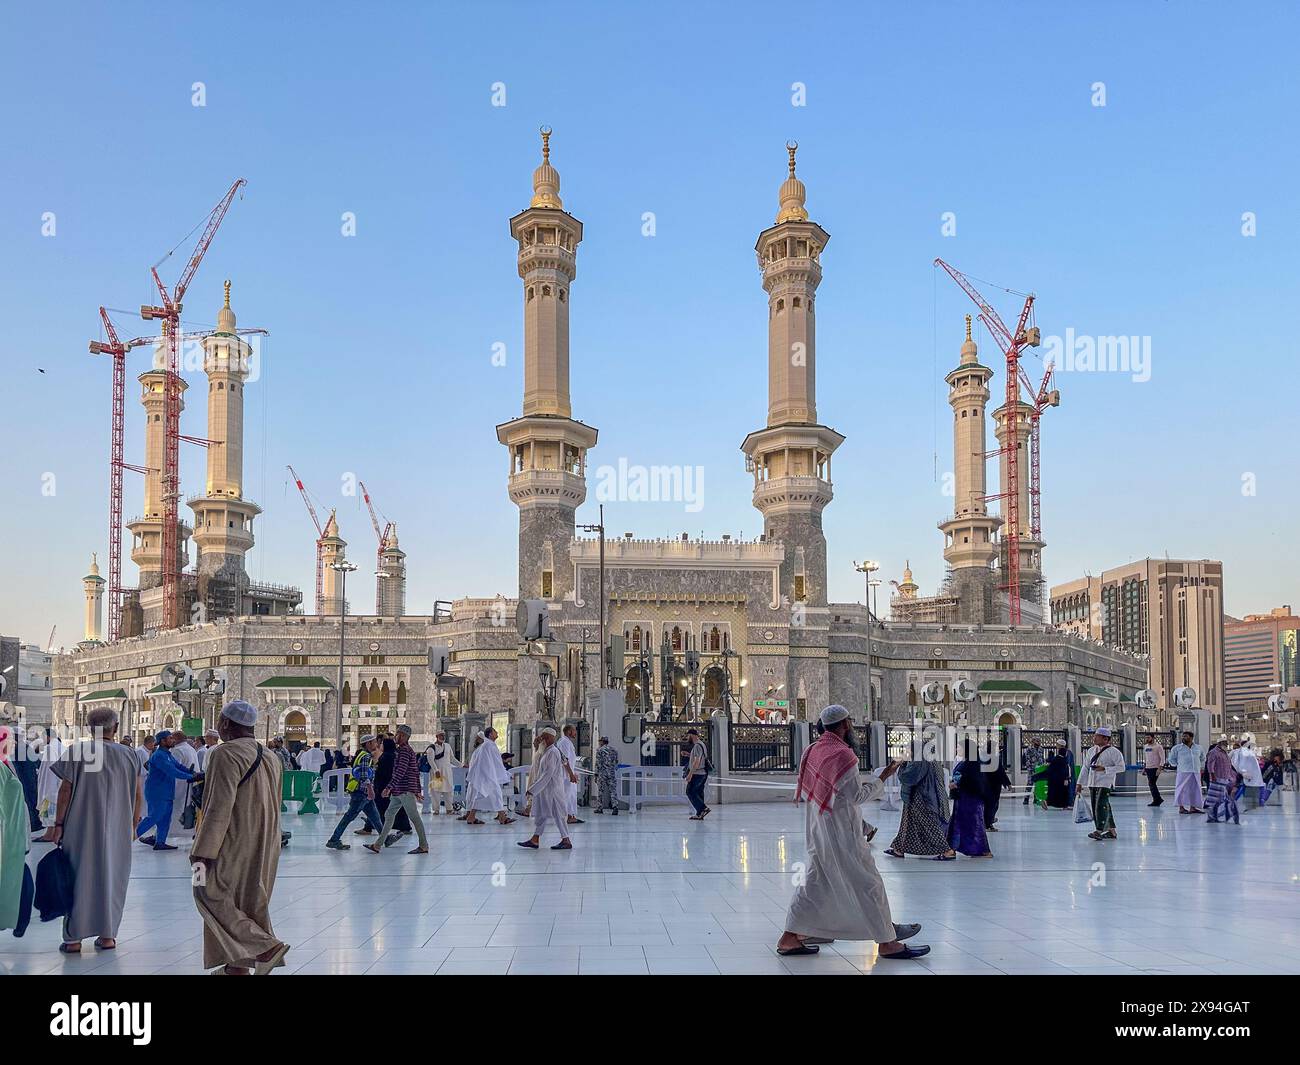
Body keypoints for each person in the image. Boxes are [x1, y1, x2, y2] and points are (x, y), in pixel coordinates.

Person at [776, 704, 928, 960]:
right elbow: (854, 796)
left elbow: (817, 794)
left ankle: (790, 937)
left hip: (818, 830)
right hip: (842, 835)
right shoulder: (843, 755)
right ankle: (888, 941)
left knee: (813, 883)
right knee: (870, 884)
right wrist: (884, 778)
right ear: (845, 725)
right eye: (850, 722)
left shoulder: (812, 750)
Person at [191, 700, 289, 975]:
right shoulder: (271, 755)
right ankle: (237, 969)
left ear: (224, 724)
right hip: (266, 841)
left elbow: (217, 807)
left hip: (231, 841)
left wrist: (202, 852)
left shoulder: (226, 754)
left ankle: (265, 946)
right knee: (248, 902)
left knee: (205, 890)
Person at [46, 708, 141, 954]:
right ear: (116, 728)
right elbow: (139, 794)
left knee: (77, 878)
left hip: (79, 826)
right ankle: (108, 935)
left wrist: (58, 825)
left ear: (89, 728)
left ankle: (74, 939)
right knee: (112, 877)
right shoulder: (130, 754)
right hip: (118, 828)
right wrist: (133, 825)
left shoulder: (77, 752)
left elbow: (65, 791)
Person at [365, 725, 429, 855]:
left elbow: (401, 771)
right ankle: (378, 845)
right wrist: (416, 789)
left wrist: (389, 787)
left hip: (404, 790)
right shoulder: (402, 750)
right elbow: (413, 771)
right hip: (399, 790)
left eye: (399, 734)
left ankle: (423, 845)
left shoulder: (405, 751)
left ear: (404, 736)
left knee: (414, 817)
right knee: (389, 815)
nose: (396, 736)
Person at [135, 731, 201, 850]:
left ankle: (160, 842)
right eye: (170, 738)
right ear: (162, 741)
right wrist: (192, 777)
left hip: (166, 792)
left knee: (165, 819)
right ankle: (131, 836)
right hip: (157, 792)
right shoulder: (159, 755)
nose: (172, 740)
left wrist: (193, 773)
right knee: (154, 817)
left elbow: (178, 767)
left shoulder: (168, 754)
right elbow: (172, 771)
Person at [325, 735, 389, 849]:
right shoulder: (366, 756)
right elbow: (364, 775)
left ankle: (385, 838)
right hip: (361, 792)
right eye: (374, 742)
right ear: (368, 744)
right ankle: (334, 839)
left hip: (361, 792)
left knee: (375, 817)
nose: (376, 744)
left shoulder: (361, 754)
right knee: (349, 816)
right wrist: (370, 789)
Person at [885, 759, 954, 860]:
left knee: (928, 824)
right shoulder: (930, 757)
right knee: (908, 822)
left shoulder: (919, 760)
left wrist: (902, 765)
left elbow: (908, 777)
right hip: (923, 795)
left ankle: (947, 851)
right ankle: (899, 848)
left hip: (921, 797)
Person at [518, 727, 571, 850]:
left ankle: (566, 840)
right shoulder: (546, 751)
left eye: (546, 737)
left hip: (552, 790)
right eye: (543, 736)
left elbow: (548, 774)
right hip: (546, 790)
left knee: (558, 815)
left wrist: (533, 789)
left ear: (552, 738)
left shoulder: (553, 752)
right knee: (542, 814)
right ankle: (535, 839)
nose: (543, 739)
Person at [463, 727, 515, 826]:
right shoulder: (489, 746)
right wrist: (506, 774)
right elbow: (497, 763)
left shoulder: (487, 745)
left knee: (483, 796)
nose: (497, 733)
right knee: (495, 795)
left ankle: (472, 817)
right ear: (490, 734)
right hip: (487, 776)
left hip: (485, 775)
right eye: (495, 731)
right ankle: (502, 818)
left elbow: (494, 762)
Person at [1080, 727, 1125, 840]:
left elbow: (1121, 767)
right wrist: (1079, 783)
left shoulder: (1114, 752)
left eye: (1097, 736)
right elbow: (1085, 768)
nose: (1094, 738)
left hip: (1105, 782)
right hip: (1093, 782)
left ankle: (1099, 830)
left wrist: (1105, 769)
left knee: (1100, 806)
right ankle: (1112, 831)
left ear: (1105, 739)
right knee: (1101, 806)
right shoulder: (1091, 751)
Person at [948, 747, 992, 858]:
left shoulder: (973, 763)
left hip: (970, 799)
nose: (957, 749)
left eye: (960, 747)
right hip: (963, 798)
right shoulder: (966, 762)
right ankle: (952, 848)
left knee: (973, 824)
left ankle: (982, 850)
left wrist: (957, 784)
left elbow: (973, 780)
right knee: (962, 823)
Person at [372, 736, 412, 835]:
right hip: (393, 786)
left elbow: (383, 773)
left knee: (381, 807)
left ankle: (379, 827)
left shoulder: (386, 757)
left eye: (381, 744)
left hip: (385, 786)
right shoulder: (394, 754)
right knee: (398, 808)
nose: (380, 745)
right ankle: (404, 826)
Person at [170, 731, 200, 839]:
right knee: (186, 807)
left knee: (176, 809)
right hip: (190, 785)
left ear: (176, 739)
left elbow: (172, 770)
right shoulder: (190, 749)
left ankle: (174, 832)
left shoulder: (177, 750)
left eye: (171, 738)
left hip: (179, 785)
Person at [35, 727, 66, 831]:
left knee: (48, 809)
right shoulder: (61, 747)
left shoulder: (50, 748)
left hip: (50, 784)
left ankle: (49, 833)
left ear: (47, 737)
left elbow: (47, 770)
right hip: (59, 783)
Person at [1168, 731, 1204, 814]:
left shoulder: (1198, 748)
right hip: (1183, 771)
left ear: (1191, 738)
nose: (1183, 738)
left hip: (1195, 772)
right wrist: (1178, 765)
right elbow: (1171, 759)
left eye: (1186, 736)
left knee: (1195, 789)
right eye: (1183, 736)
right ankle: (1181, 808)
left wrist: (1200, 766)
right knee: (1181, 789)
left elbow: (1202, 758)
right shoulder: (1177, 748)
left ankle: (1193, 807)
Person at [1204, 740, 1240, 825]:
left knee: (1220, 799)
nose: (1226, 746)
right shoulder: (1214, 752)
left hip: (1225, 779)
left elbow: (1228, 766)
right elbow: (1210, 765)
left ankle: (1218, 816)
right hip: (1217, 779)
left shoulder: (1224, 753)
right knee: (1213, 800)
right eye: (1225, 744)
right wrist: (1212, 776)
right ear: (1220, 744)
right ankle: (1212, 817)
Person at [557, 724, 584, 825]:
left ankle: (571, 816)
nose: (575, 733)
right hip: (565, 775)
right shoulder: (564, 742)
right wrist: (571, 774)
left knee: (571, 795)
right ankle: (567, 816)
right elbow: (565, 760)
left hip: (569, 774)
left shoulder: (567, 742)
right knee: (567, 795)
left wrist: (573, 773)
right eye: (574, 731)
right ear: (569, 732)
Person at [427, 731, 458, 815]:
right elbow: (430, 760)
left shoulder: (447, 746)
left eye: (443, 735)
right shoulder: (432, 747)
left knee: (449, 791)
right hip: (437, 773)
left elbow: (452, 759)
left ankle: (449, 809)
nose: (443, 737)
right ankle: (436, 810)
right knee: (435, 791)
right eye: (441, 735)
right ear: (436, 736)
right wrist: (436, 770)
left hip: (447, 772)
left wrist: (462, 765)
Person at [683, 727, 711, 820]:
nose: (688, 738)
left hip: (697, 774)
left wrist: (690, 774)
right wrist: (688, 754)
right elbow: (699, 757)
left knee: (690, 792)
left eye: (688, 736)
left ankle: (703, 808)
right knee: (698, 793)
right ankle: (700, 814)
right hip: (702, 773)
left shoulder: (697, 746)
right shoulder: (701, 745)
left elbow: (697, 762)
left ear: (692, 735)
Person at [1231, 736, 1266, 807]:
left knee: (1253, 786)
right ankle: (1234, 800)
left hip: (1250, 774)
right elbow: (1240, 763)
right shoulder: (1243, 752)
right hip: (1247, 774)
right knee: (1245, 786)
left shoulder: (1247, 752)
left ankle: (1258, 802)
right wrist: (1243, 772)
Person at [982, 757, 1012, 829]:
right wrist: (1007, 783)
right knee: (992, 805)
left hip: (986, 785)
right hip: (993, 785)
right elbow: (1000, 771)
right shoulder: (993, 758)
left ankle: (988, 821)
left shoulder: (983, 758)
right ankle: (988, 823)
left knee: (988, 805)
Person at [593, 736, 619, 815]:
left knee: (601, 791)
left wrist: (596, 774)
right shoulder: (614, 750)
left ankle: (600, 808)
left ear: (602, 742)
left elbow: (598, 763)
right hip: (611, 773)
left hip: (602, 773)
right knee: (613, 791)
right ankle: (615, 807)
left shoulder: (599, 750)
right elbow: (616, 762)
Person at [1044, 745, 1073, 810]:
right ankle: (1065, 805)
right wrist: (1066, 778)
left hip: (1053, 780)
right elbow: (1065, 770)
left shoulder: (1055, 759)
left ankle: (1047, 802)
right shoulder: (1063, 760)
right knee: (1064, 793)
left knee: (1053, 793)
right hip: (1061, 780)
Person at [1142, 733, 1166, 807]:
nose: (1147, 739)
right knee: (1151, 784)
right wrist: (1144, 768)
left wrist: (1160, 768)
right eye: (1146, 738)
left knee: (1152, 783)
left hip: (1155, 768)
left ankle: (1157, 800)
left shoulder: (1158, 747)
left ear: (1153, 738)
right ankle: (1157, 799)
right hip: (1148, 768)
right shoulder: (1145, 747)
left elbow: (1162, 758)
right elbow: (1145, 758)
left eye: (1148, 737)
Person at [1021, 738, 1045, 805]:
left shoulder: (1041, 749)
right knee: (1029, 784)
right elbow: (1027, 760)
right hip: (1032, 769)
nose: (1039, 742)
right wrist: (1029, 769)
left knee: (1038, 784)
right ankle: (1026, 799)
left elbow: (1042, 758)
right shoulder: (1029, 749)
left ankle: (1036, 798)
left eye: (1039, 741)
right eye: (1037, 741)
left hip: (1039, 769)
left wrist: (1042, 767)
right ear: (1033, 741)